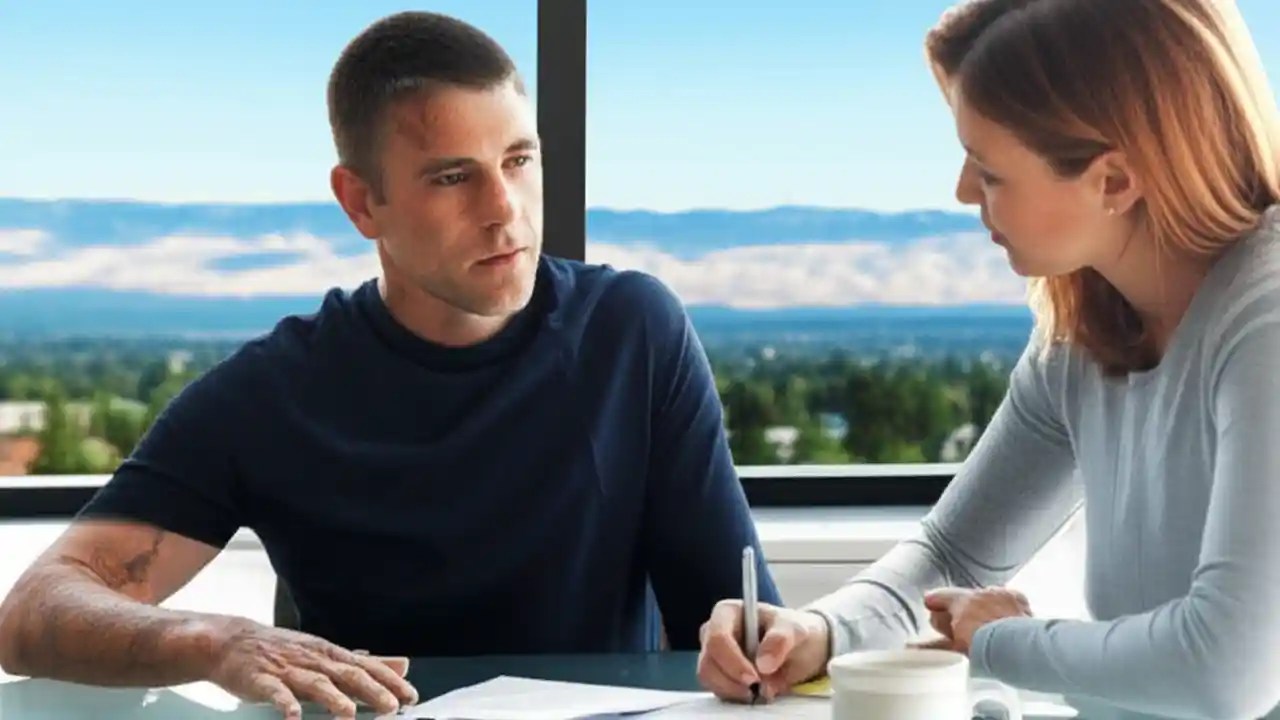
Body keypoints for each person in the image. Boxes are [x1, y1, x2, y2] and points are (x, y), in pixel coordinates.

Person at [0, 10, 781, 720]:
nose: (504, 209)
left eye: (518, 160)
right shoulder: (273, 392)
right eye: (453, 177)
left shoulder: (633, 330)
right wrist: (219, 641)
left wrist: (763, 644)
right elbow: (32, 613)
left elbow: (740, 625)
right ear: (360, 203)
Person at [697, 0, 1280, 718]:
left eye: (990, 171)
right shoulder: (1083, 330)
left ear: (1114, 181)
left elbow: (1228, 670)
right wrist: (819, 632)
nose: (962, 190)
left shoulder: (1267, 320)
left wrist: (1003, 641)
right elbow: (955, 555)